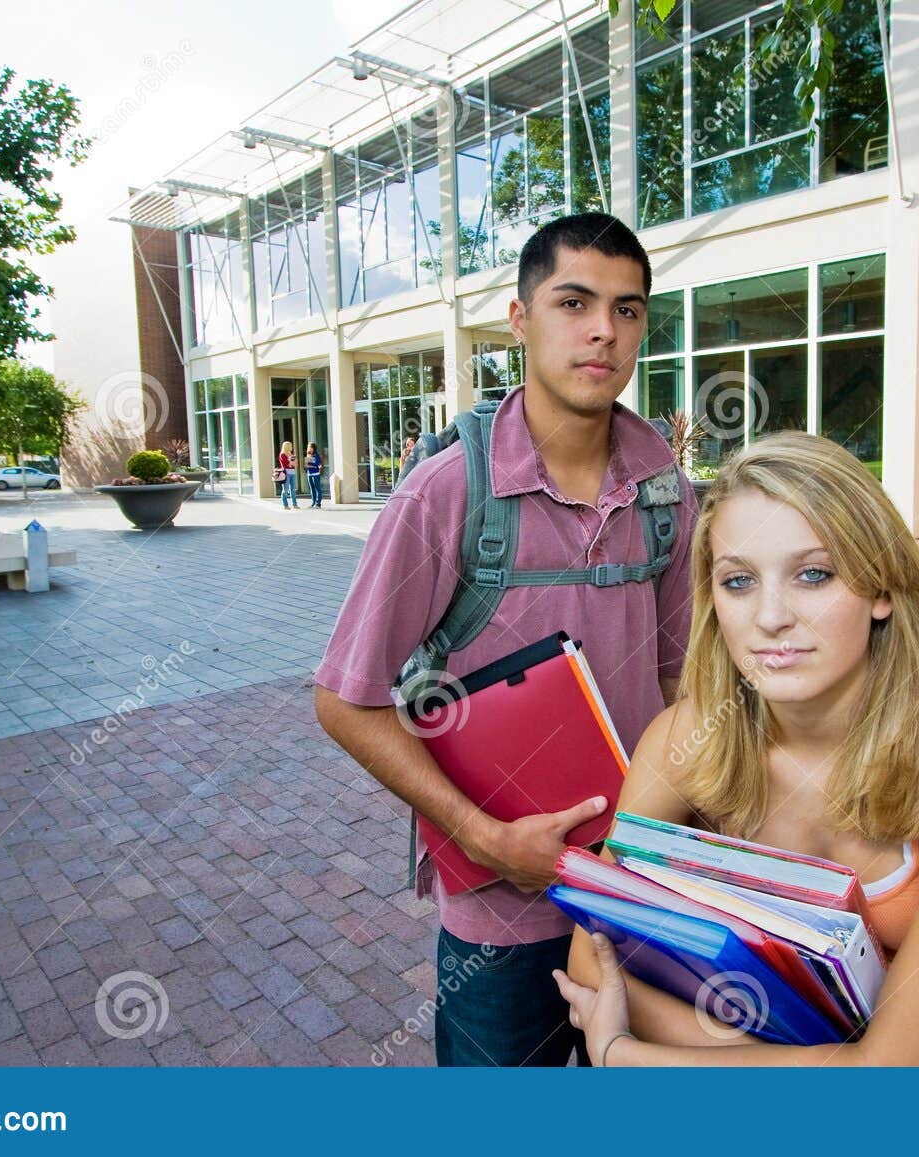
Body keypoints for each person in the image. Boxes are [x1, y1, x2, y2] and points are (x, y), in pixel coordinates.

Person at [315, 212, 697, 1067]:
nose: (604, 328)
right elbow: (344, 699)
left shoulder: (669, 494)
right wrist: (486, 840)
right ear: (520, 320)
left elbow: (688, 689)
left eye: (628, 309)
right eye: (574, 301)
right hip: (502, 910)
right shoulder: (445, 494)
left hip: (639, 896)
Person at [553, 432, 919, 1066]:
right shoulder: (686, 738)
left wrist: (627, 1051)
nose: (770, 617)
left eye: (813, 574)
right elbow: (590, 950)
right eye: (738, 581)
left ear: (881, 589)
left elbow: (900, 1077)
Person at [277, 441, 297, 509]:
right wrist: (291, 462)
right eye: (290, 446)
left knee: (293, 489)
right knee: (285, 489)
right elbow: (285, 464)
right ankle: (285, 505)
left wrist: (292, 462)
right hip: (286, 473)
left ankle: (295, 504)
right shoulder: (282, 454)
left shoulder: (291, 454)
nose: (291, 447)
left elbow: (294, 464)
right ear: (287, 447)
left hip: (292, 472)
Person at [304, 442, 324, 508]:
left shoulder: (316, 455)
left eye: (309, 447)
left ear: (312, 448)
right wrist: (308, 463)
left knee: (317, 488)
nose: (308, 448)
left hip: (315, 474)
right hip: (309, 473)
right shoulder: (308, 455)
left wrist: (309, 463)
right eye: (308, 447)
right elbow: (306, 465)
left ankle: (318, 503)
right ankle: (313, 502)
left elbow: (317, 464)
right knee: (312, 489)